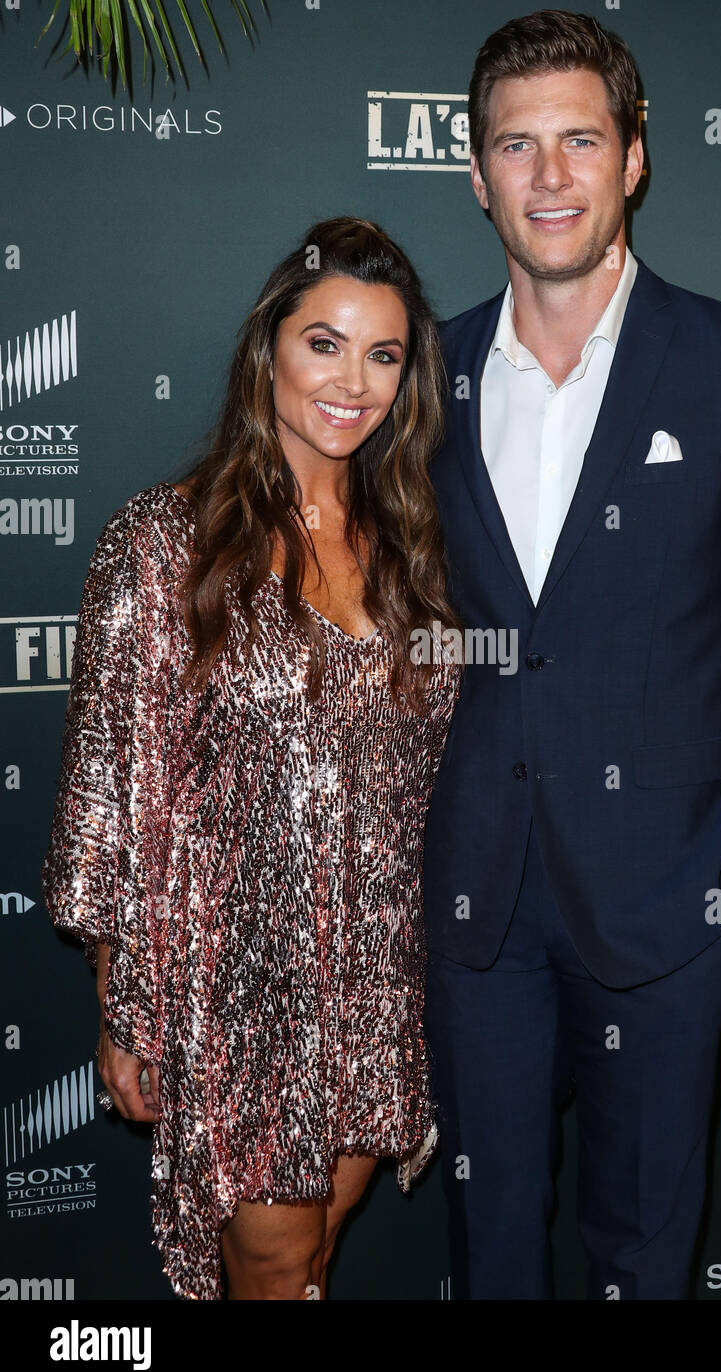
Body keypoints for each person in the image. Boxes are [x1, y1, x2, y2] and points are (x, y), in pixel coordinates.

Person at [422, 11, 721, 1299]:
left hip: (673, 909)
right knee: (486, 1255)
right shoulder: (424, 377)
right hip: (477, 911)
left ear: (634, 158)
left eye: (578, 141)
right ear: (475, 170)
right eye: (516, 146)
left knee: (641, 1263)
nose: (548, 177)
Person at [41, 216, 460, 1301]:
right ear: (267, 347)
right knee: (272, 1261)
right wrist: (124, 1003)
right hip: (238, 982)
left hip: (378, 970)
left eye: (383, 354)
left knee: (318, 1247)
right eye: (323, 343)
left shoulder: (416, 549)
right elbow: (109, 791)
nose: (352, 382)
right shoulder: (162, 541)